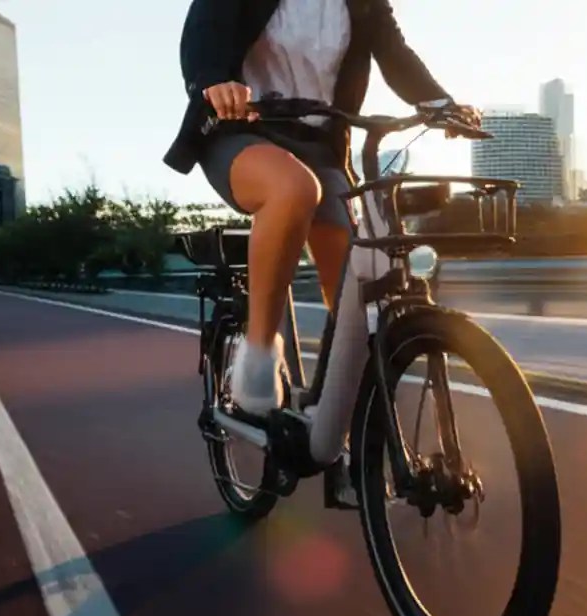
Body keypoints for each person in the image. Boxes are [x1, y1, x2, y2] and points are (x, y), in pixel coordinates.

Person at [163, 0, 480, 415]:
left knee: (356, 286)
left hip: (319, 144)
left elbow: (394, 51)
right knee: (293, 189)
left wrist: (440, 103)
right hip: (241, 130)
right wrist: (213, 81)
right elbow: (205, 28)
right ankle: (258, 355)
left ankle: (333, 417)